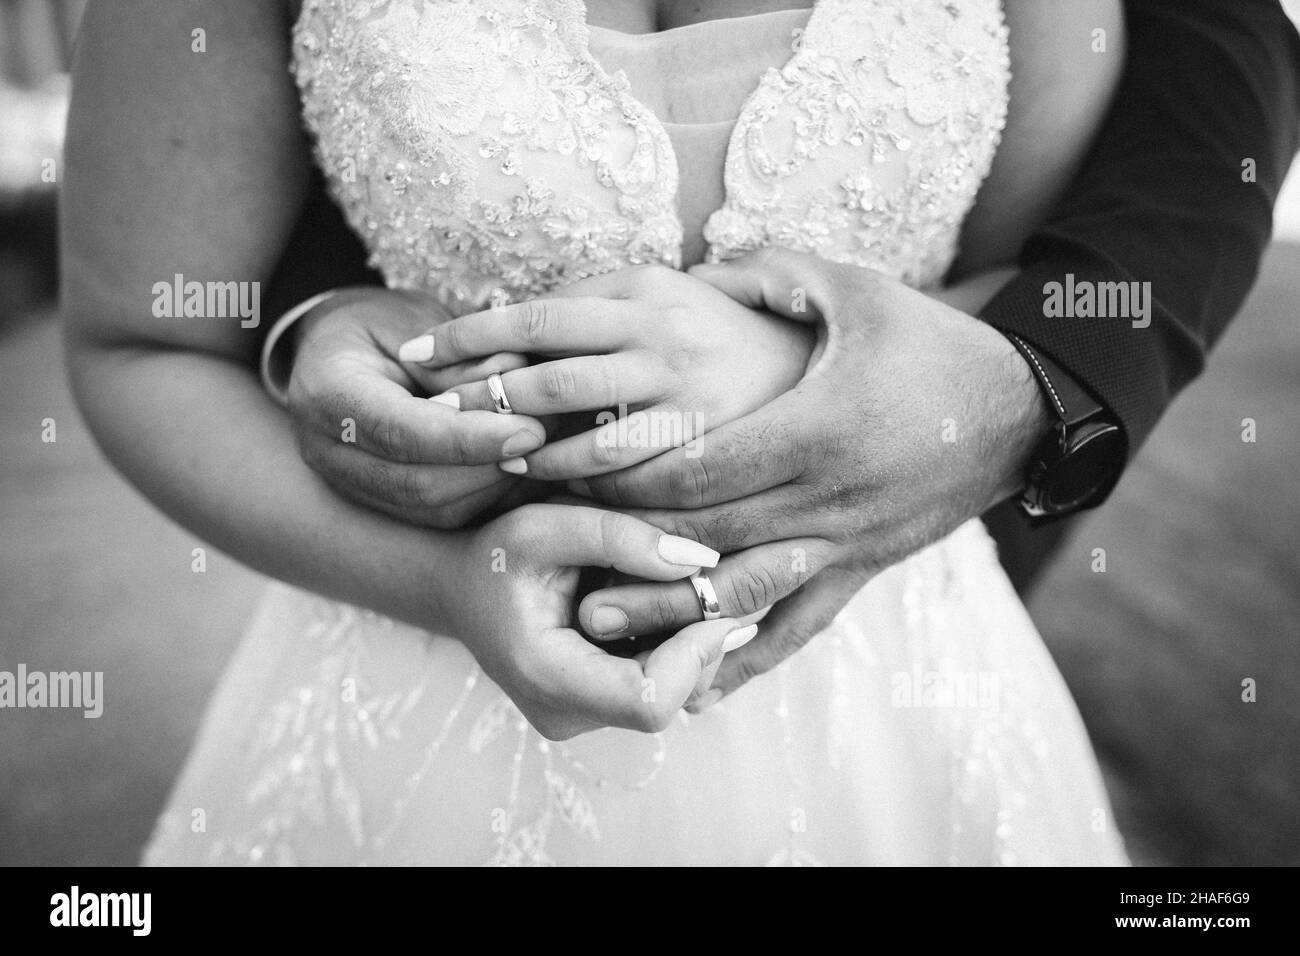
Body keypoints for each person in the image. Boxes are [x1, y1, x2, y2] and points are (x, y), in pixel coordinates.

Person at [58, 0, 1293, 865]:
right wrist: (444, 578)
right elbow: (139, 337)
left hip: (894, 681)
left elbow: (1029, 275)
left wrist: (827, 362)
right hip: (408, 681)